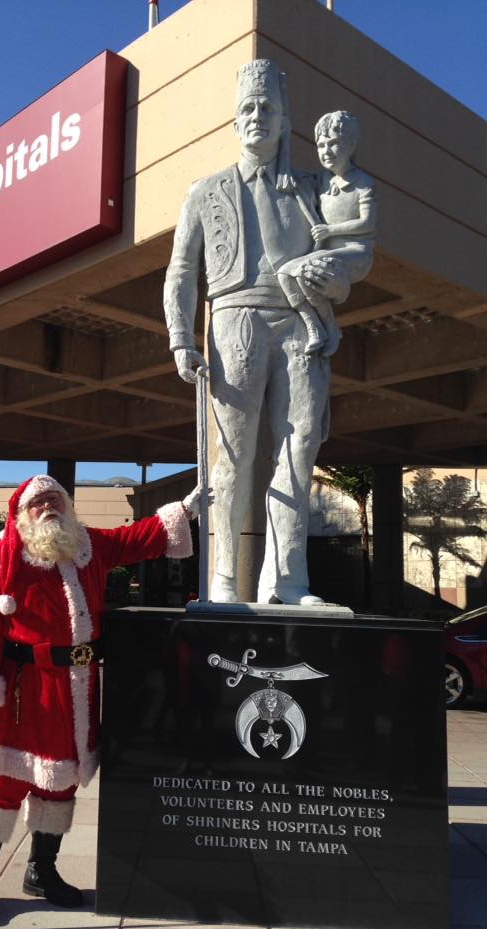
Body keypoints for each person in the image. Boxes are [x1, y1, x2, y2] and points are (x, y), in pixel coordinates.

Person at [0, 474, 198, 922]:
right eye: (38, 502)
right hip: (26, 690)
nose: (48, 508)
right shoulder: (2, 559)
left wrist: (191, 507)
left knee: (61, 780)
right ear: (21, 513)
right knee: (4, 782)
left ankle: (41, 872)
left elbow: (139, 537)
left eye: (55, 499)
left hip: (79, 686)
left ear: (67, 506)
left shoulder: (89, 546)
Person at [163, 59, 366, 606]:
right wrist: (182, 337)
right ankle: (224, 580)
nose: (257, 116)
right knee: (231, 459)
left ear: (283, 120)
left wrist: (337, 275)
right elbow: (182, 270)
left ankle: (288, 581)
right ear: (235, 121)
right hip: (233, 322)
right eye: (248, 108)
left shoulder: (309, 190)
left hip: (300, 324)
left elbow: (350, 251)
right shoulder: (206, 191)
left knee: (298, 450)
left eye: (267, 108)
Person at [276, 110, 376, 356]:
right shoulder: (321, 181)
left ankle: (329, 325)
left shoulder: (363, 183)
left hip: (356, 253)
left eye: (333, 144)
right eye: (321, 145)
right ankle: (313, 325)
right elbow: (298, 182)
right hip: (328, 251)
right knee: (286, 273)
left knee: (308, 274)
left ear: (351, 145)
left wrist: (331, 230)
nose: (326, 151)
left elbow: (368, 223)